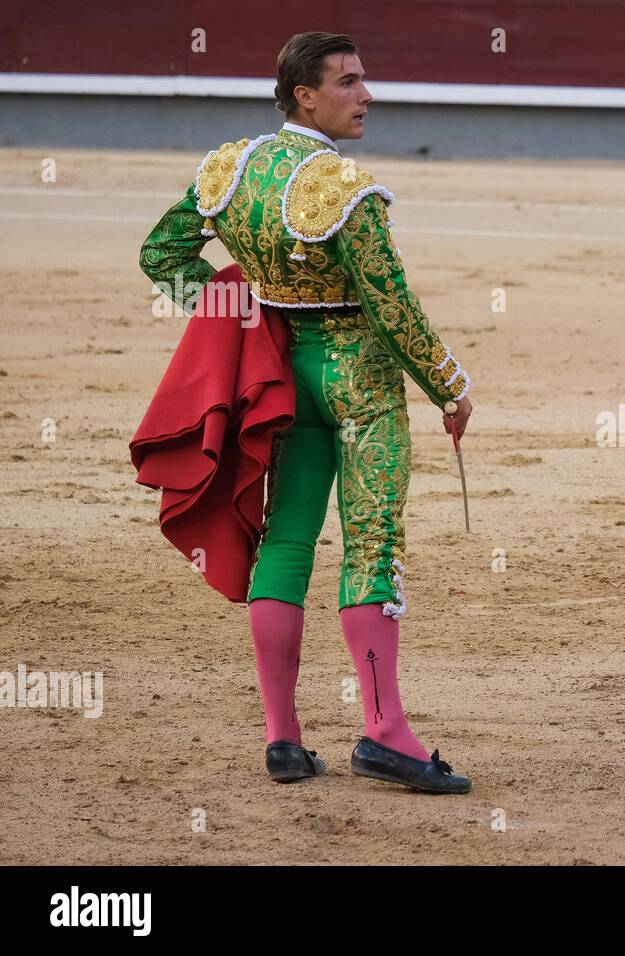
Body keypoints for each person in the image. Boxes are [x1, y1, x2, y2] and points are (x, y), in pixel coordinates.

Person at [138, 31, 473, 793]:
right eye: (350, 82)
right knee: (372, 543)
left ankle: (283, 740)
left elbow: (161, 256)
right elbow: (394, 311)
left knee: (286, 541)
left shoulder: (231, 170)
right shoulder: (342, 189)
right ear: (305, 96)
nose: (368, 94)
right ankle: (384, 731)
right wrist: (451, 387)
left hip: (283, 376)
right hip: (359, 381)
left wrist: (238, 312)